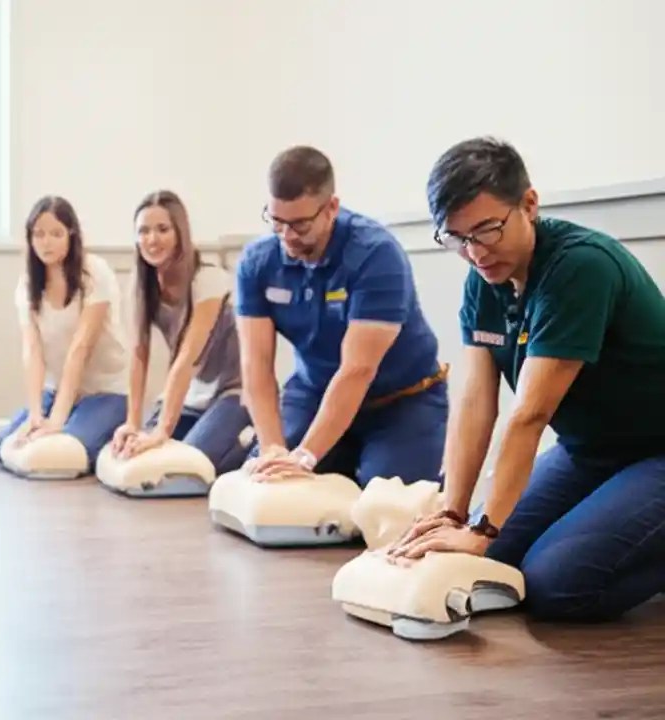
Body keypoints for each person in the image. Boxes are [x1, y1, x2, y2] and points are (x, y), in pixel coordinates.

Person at [389, 137, 665, 623]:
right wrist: (453, 514)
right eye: (457, 238)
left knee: (557, 584)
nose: (475, 252)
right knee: (488, 562)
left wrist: (484, 527)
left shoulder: (579, 267)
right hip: (592, 451)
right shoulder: (484, 280)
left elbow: (530, 415)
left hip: (656, 449)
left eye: (487, 230)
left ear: (529, 205)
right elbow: (475, 402)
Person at [236, 146, 448, 487]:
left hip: (399, 401)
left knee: (385, 504)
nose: (287, 237)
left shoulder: (375, 253)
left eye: (300, 224)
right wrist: (275, 449)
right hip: (313, 392)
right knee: (268, 481)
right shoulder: (258, 262)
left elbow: (357, 370)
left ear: (331, 208)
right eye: (277, 222)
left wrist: (305, 456)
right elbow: (255, 365)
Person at [109, 190, 255, 474]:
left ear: (180, 232)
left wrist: (162, 431)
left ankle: (252, 439)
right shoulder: (142, 287)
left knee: (188, 462)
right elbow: (139, 356)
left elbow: (186, 359)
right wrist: (133, 422)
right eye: (144, 231)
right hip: (194, 394)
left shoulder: (208, 279)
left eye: (162, 229)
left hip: (235, 392)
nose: (152, 239)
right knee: (139, 451)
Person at [0, 196, 130, 471]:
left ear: (71, 235)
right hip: (57, 390)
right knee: (1, 447)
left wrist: (56, 421)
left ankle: (101, 427)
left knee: (62, 454)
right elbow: (32, 352)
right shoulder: (28, 283)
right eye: (39, 234)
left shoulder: (95, 273)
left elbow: (80, 349)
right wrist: (35, 413)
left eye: (56, 233)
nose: (46, 242)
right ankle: (67, 418)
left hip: (105, 391)